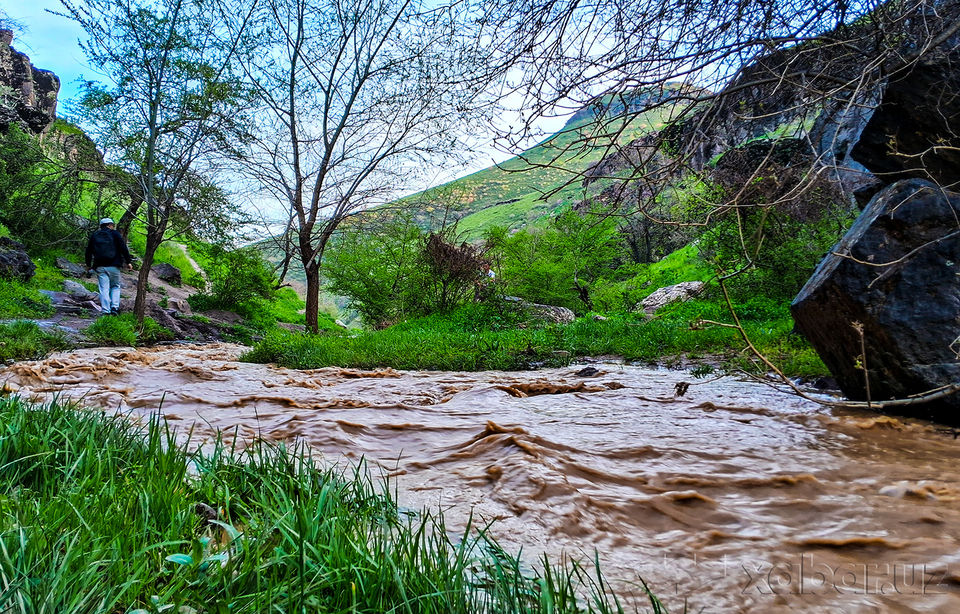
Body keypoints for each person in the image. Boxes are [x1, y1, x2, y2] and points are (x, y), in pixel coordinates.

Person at [85, 217, 133, 315]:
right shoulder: (115, 234)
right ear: (109, 225)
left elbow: (88, 251)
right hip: (114, 265)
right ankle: (114, 308)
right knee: (115, 286)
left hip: (100, 266)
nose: (113, 227)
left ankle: (105, 311)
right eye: (112, 225)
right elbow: (123, 247)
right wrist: (128, 261)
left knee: (104, 289)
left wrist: (88, 265)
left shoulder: (95, 235)